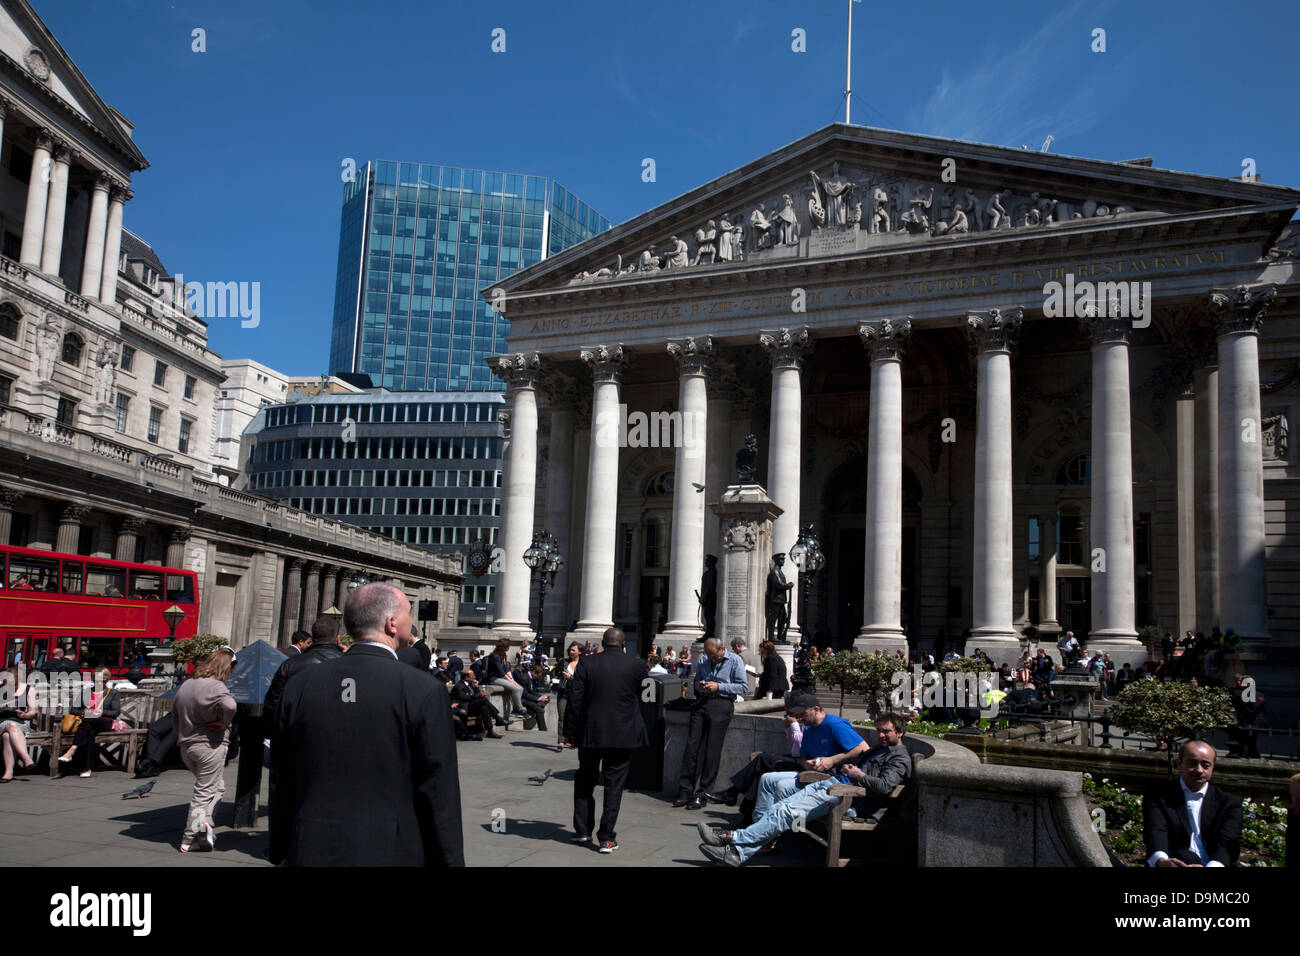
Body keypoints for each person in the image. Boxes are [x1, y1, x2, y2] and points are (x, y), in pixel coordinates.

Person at [270, 582, 464, 866]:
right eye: (409, 613)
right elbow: (438, 791)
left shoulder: (300, 685)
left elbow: (282, 777)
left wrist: (280, 850)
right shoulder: (423, 690)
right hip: (391, 851)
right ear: (392, 623)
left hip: (309, 846)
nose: (411, 621)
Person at [698, 710, 910, 866]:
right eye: (879, 731)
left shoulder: (899, 757)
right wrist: (849, 768)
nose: (881, 735)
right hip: (834, 784)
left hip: (846, 798)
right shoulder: (879, 749)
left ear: (900, 733)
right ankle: (738, 855)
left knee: (784, 811)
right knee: (778, 807)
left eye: (887, 732)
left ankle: (730, 837)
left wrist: (859, 775)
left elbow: (885, 786)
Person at [562, 627, 648, 854]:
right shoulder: (637, 666)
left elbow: (575, 700)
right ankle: (606, 837)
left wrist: (569, 732)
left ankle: (582, 830)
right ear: (623, 644)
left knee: (585, 779)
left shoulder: (587, 664)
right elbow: (646, 697)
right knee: (614, 786)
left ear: (602, 643)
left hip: (591, 733)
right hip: (623, 734)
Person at [171, 646, 237, 852]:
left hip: (187, 745)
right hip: (209, 744)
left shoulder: (187, 684)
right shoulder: (217, 687)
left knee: (217, 788)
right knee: (204, 792)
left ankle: (205, 824)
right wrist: (224, 722)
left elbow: (174, 714)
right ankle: (189, 838)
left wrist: (181, 736)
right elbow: (231, 706)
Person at [674, 637, 748, 810]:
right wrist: (700, 686)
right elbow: (695, 681)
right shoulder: (703, 660)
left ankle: (703, 793)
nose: (712, 659)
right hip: (702, 703)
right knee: (691, 747)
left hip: (721, 704)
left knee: (712, 750)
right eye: (709, 656)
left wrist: (719, 687)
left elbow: (743, 687)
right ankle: (685, 790)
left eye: (714, 656)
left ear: (722, 649)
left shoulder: (735, 660)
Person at [1144, 739, 1242, 867]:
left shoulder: (1229, 803)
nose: (1199, 770)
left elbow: (1228, 843)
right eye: (1192, 763)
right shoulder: (1158, 796)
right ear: (1179, 764)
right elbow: (1155, 831)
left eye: (1205, 765)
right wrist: (1162, 861)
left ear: (1213, 768)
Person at [264, 616, 345, 741]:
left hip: (296, 737)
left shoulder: (290, 665)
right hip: (335, 738)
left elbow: (273, 704)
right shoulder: (349, 664)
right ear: (337, 638)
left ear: (313, 638)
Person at [57, 668, 121, 778]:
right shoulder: (86, 692)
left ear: (107, 680)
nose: (100, 683)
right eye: (97, 680)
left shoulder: (113, 693)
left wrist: (101, 712)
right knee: (90, 731)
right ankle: (87, 768)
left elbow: (116, 711)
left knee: (89, 721)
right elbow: (74, 710)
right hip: (87, 723)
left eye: (104, 681)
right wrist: (84, 711)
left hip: (104, 721)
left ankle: (72, 749)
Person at [0, 669, 38, 781]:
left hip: (20, 722)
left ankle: (8, 773)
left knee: (7, 736)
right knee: (11, 725)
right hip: (2, 721)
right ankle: (26, 758)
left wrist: (24, 715)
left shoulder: (28, 689)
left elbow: (32, 712)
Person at [452, 668, 505, 739]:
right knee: (483, 700)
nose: (474, 677)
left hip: (472, 706)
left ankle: (490, 731)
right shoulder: (459, 686)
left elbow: (477, 696)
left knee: (484, 708)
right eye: (472, 675)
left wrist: (476, 688)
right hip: (465, 707)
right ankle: (497, 717)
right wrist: (479, 695)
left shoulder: (471, 684)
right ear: (466, 677)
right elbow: (463, 698)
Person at [485, 638, 528, 718]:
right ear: (504, 647)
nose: (509, 648)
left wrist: (512, 679)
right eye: (508, 646)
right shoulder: (495, 656)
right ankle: (520, 709)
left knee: (520, 688)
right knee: (517, 688)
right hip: (493, 678)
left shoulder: (503, 655)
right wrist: (510, 681)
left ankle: (515, 709)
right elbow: (501, 671)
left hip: (501, 677)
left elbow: (506, 669)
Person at [512, 661, 550, 731]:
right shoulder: (524, 678)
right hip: (522, 699)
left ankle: (538, 705)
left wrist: (541, 697)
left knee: (547, 698)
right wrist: (538, 699)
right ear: (534, 672)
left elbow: (533, 691)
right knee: (540, 710)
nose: (538, 678)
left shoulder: (532, 678)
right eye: (538, 676)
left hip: (528, 697)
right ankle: (543, 730)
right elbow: (525, 694)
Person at [765, 554, 793, 643]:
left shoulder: (779, 571)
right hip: (776, 600)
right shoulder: (775, 571)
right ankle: (771, 636)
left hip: (780, 600)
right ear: (776, 560)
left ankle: (780, 636)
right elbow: (779, 584)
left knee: (783, 618)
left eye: (783, 559)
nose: (783, 561)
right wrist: (788, 585)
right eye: (781, 559)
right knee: (774, 618)